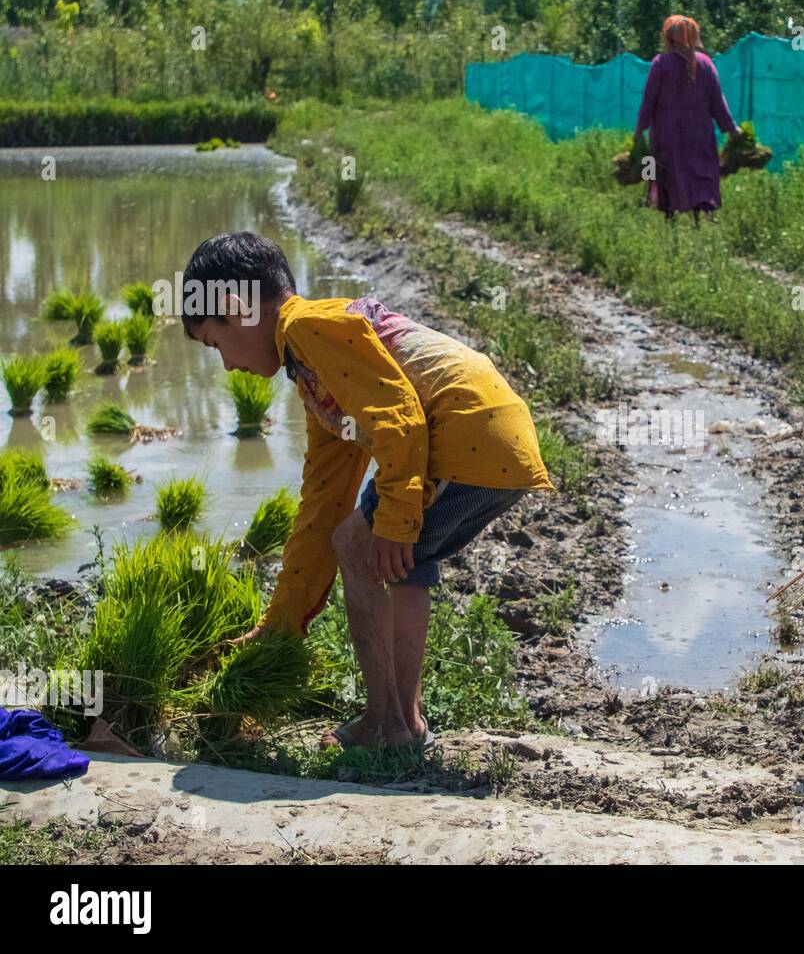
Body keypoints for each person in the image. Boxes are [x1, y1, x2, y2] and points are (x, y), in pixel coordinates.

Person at [181, 232, 553, 750]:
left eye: (217, 344)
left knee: (359, 544)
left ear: (234, 308)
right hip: (495, 439)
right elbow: (324, 500)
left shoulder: (309, 327)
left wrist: (396, 522)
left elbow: (399, 422)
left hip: (461, 432)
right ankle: (406, 721)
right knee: (392, 558)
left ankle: (383, 722)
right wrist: (284, 619)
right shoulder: (315, 374)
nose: (228, 365)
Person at [634, 14, 742, 224]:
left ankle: (669, 217)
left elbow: (649, 102)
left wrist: (639, 131)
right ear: (694, 37)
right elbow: (718, 103)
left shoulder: (661, 64)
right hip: (700, 136)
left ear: (668, 38)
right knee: (701, 173)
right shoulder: (706, 64)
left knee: (667, 174)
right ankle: (701, 217)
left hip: (668, 137)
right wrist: (732, 130)